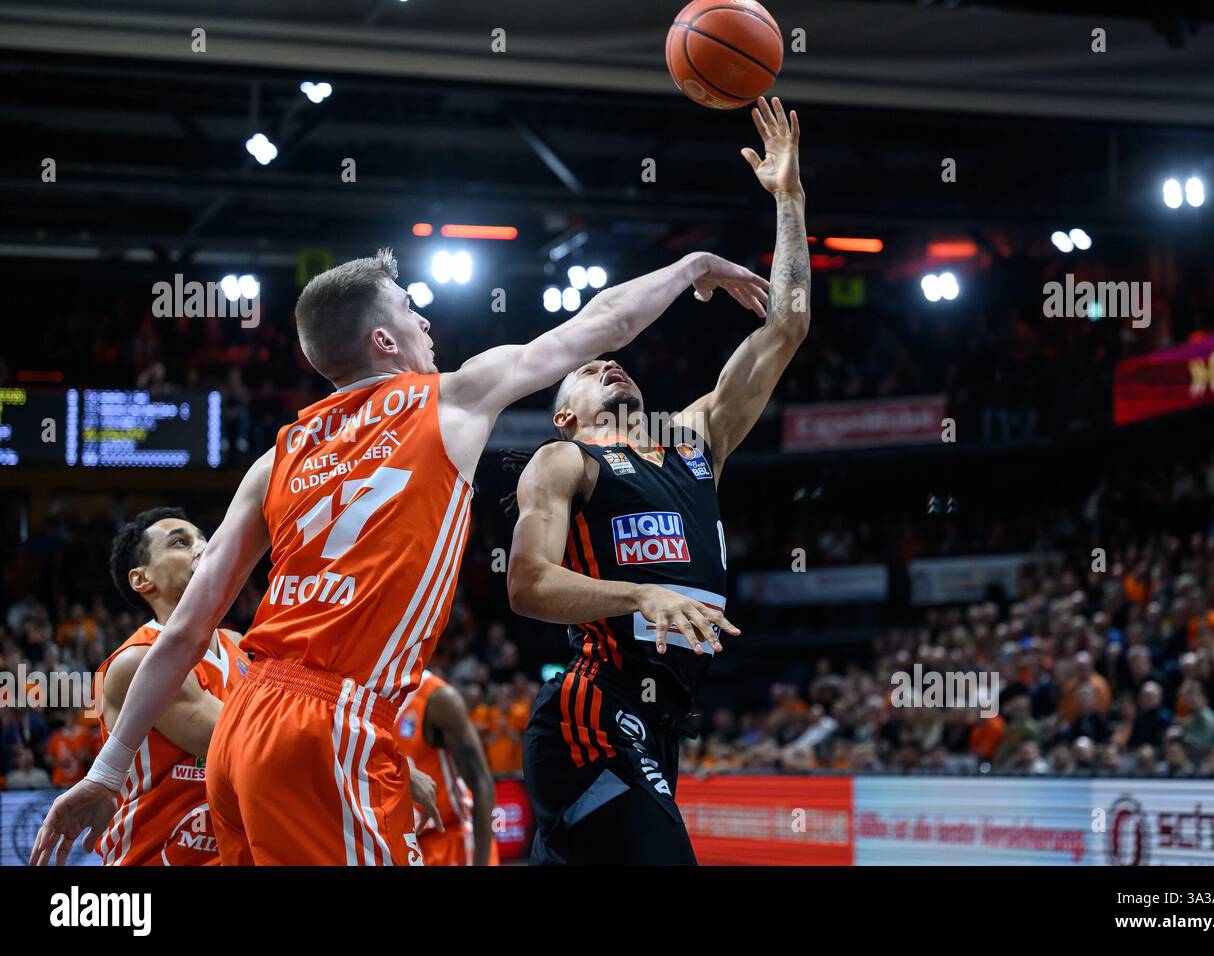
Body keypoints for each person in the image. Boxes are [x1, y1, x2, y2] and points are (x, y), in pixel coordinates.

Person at [33, 241, 766, 866]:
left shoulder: (277, 457)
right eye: (412, 311)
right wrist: (688, 267)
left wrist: (107, 769)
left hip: (244, 726)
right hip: (327, 721)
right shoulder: (448, 400)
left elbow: (188, 629)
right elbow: (601, 325)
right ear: (384, 341)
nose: (425, 322)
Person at [508, 97, 809, 864]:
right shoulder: (564, 461)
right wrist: (641, 593)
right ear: (566, 418)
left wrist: (789, 199)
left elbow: (788, 324)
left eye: (613, 361)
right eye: (585, 372)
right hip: (591, 711)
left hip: (663, 720)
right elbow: (529, 584)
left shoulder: (696, 439)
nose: (609, 364)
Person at [93, 507, 249, 865]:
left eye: (204, 539)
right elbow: (246, 744)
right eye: (180, 542)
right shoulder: (138, 661)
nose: (203, 547)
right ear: (142, 579)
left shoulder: (239, 646)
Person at [394, 670, 498, 866]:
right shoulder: (361, 697)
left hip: (447, 841)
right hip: (400, 843)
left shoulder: (439, 698)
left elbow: (481, 781)